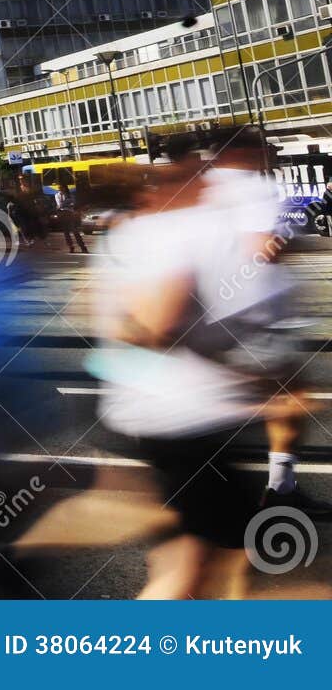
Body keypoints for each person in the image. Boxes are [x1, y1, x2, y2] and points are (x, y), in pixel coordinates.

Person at [90, 139, 279, 598]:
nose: (214, 187)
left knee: (187, 555)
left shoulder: (127, 236)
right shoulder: (173, 236)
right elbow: (159, 322)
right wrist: (236, 371)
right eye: (204, 179)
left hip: (156, 413)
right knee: (206, 556)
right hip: (182, 418)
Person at [201, 126, 330, 515]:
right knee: (290, 400)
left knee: (246, 397)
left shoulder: (202, 188)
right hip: (256, 315)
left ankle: (218, 484)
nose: (269, 153)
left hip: (207, 311)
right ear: (244, 152)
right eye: (264, 147)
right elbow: (264, 249)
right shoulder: (255, 188)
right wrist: (296, 237)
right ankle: (277, 490)